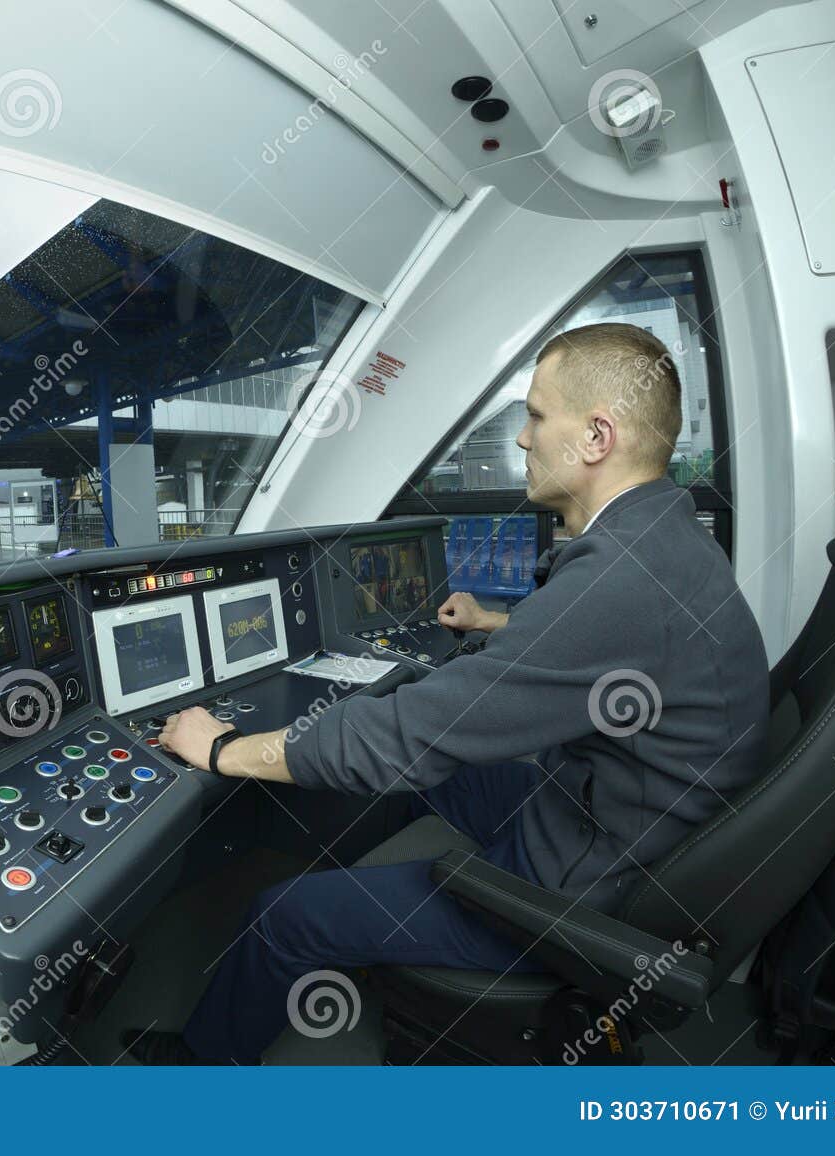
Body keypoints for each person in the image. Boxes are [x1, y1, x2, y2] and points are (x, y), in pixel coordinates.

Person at [123, 322, 769, 1064]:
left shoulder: (623, 580)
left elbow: (408, 739)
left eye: (534, 415)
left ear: (596, 436)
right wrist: (499, 623)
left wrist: (228, 748)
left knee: (283, 914)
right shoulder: (664, 539)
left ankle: (204, 1070)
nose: (522, 440)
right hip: (608, 821)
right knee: (427, 781)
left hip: (576, 892)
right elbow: (591, 646)